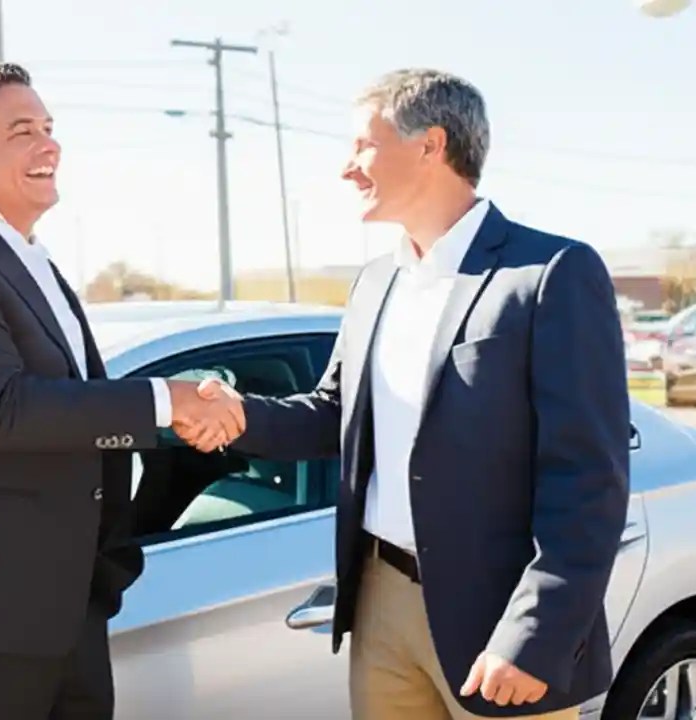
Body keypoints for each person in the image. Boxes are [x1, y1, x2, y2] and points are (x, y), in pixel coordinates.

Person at [195, 68, 631, 719]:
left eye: (362, 147)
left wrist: (536, 636)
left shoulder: (550, 275)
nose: (348, 170)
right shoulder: (376, 281)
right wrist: (234, 417)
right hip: (381, 605)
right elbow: (334, 418)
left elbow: (588, 477)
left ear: (431, 144)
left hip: (497, 620)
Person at [0, 62, 241, 719]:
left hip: (70, 608)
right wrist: (166, 401)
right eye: (23, 131)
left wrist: (185, 415)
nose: (49, 144)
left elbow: (76, 409)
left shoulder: (37, 261)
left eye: (49, 127)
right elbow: (1, 410)